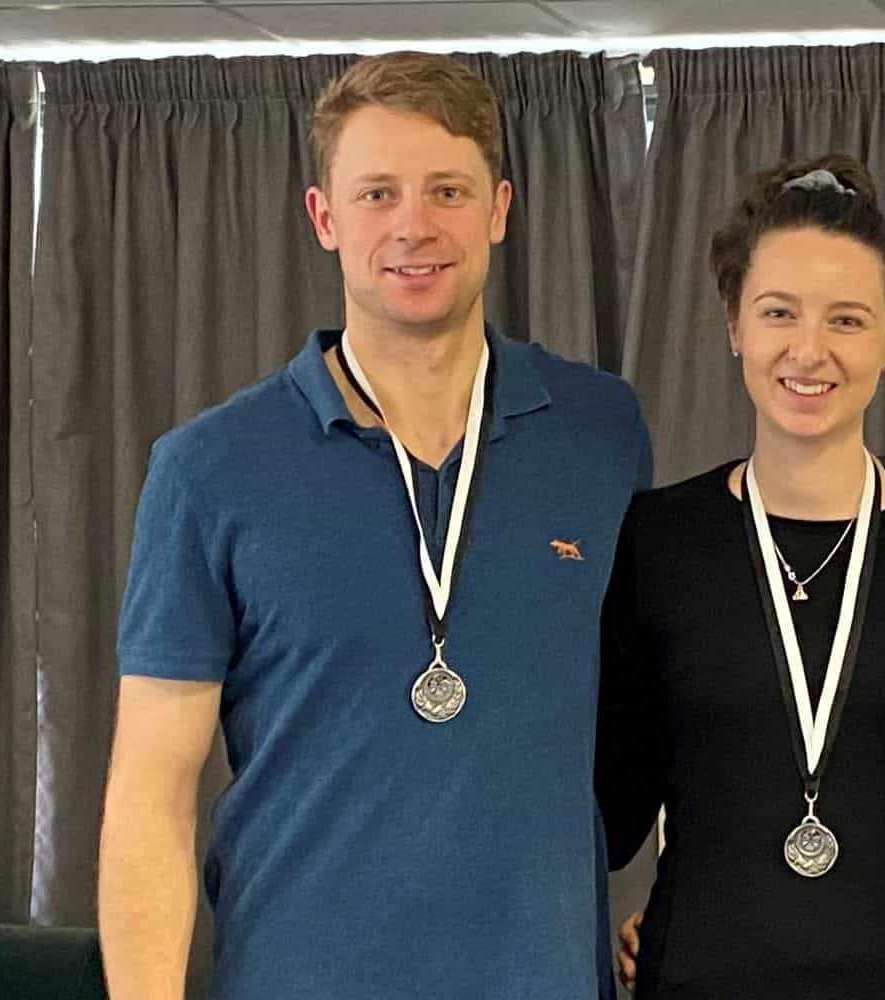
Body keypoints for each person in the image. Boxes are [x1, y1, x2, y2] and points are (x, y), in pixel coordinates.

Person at [97, 52, 650, 999]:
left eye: (447, 190)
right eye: (378, 192)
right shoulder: (208, 470)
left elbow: (670, 691)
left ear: (500, 209)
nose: (413, 226)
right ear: (325, 217)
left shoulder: (601, 432)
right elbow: (150, 796)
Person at [597, 155, 885, 998]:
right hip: (704, 977)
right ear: (734, 325)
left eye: (848, 320)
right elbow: (612, 802)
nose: (809, 350)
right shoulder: (659, 537)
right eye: (778, 313)